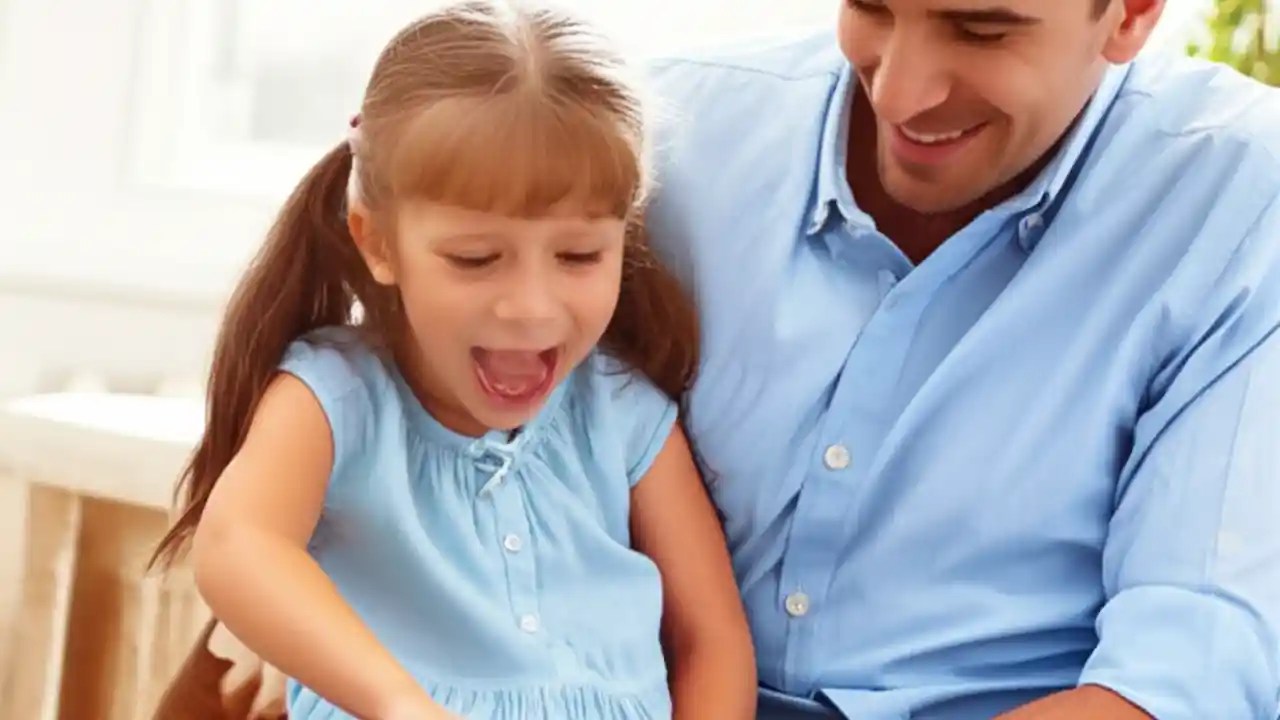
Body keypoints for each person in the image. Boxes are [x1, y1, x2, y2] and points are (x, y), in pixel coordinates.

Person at [642, 0, 1280, 718]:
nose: (898, 95)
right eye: (869, 7)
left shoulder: (1242, 202)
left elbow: (1190, 678)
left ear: (1131, 14)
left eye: (981, 30)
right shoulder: (666, 142)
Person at [148, 2, 757, 719]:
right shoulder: (337, 397)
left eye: (579, 255)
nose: (532, 306)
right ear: (377, 243)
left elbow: (712, 639)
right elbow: (238, 543)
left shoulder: (622, 410)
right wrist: (398, 704)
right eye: (476, 258)